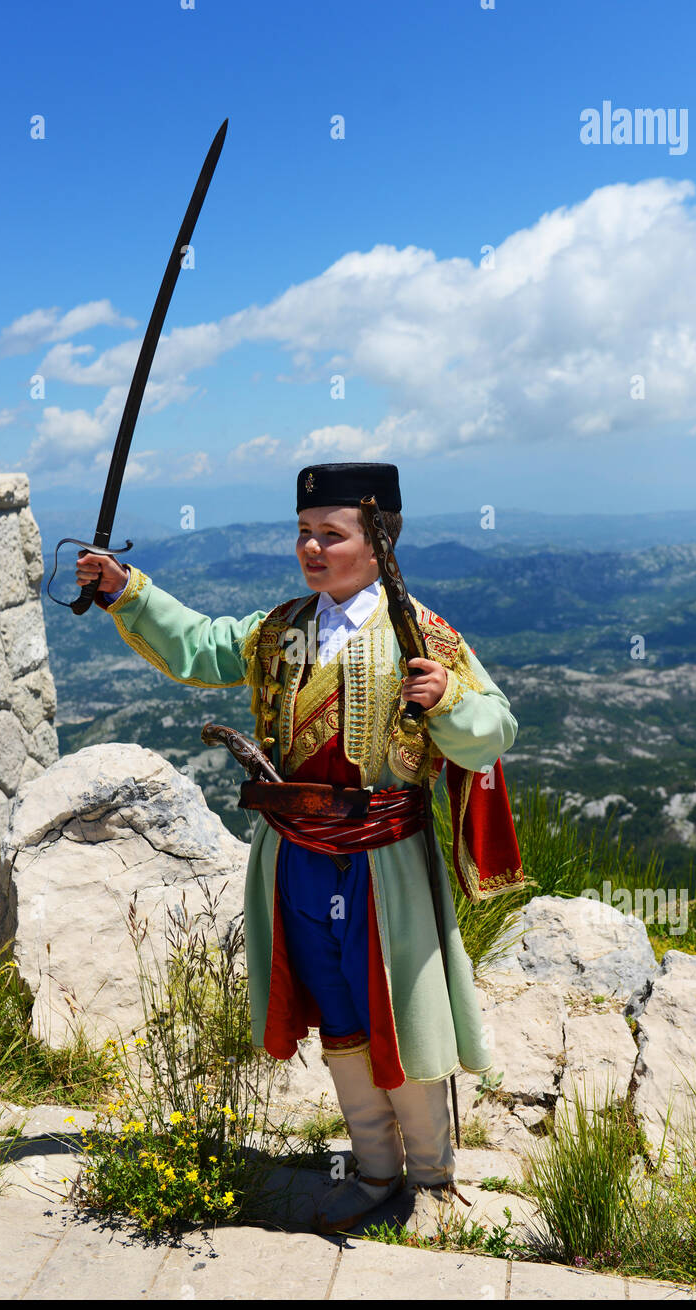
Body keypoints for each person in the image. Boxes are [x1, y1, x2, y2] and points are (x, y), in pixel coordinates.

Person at [75, 461, 522, 1238]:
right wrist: (125, 590)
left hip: (384, 860)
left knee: (397, 1008)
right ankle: (374, 1170)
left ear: (378, 544)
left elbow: (494, 731)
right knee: (337, 1009)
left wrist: (446, 699)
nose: (313, 549)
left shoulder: (425, 637)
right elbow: (201, 650)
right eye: (305, 534)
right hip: (296, 857)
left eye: (332, 535)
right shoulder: (280, 629)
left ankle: (433, 1179)